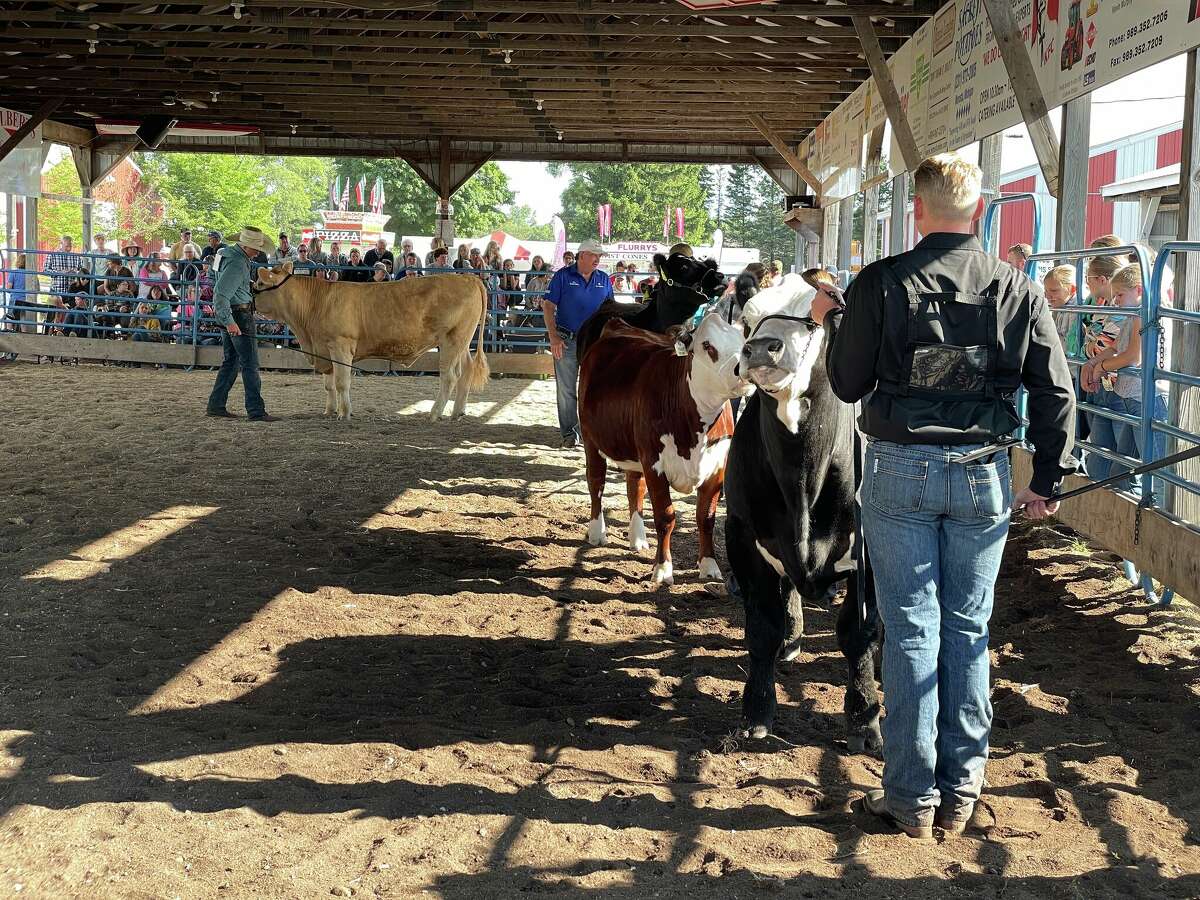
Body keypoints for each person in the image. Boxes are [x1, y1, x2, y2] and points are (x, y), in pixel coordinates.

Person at [809, 153, 1077, 840]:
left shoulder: (880, 282)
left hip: (899, 469)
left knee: (910, 629)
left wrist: (835, 324)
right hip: (984, 472)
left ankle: (910, 797)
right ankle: (961, 793)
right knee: (967, 629)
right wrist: (1048, 479)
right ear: (981, 211)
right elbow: (1055, 391)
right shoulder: (1016, 288)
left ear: (918, 211)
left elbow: (846, 384)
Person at [1080, 263, 1169, 494]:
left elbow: (1132, 356)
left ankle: (1154, 510)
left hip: (1148, 398)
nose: (1115, 300)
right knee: (1122, 471)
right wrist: (1092, 363)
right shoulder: (1135, 314)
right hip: (1134, 397)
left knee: (1157, 470)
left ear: (1139, 290)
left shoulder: (1145, 313)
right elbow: (1116, 348)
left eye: (1119, 295)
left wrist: (1101, 366)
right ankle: (1138, 509)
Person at [541, 238, 613, 449]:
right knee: (566, 389)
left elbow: (611, 309)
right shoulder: (562, 276)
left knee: (595, 387)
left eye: (599, 256)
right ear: (582, 255)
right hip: (567, 339)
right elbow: (548, 306)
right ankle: (570, 433)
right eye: (594, 255)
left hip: (596, 342)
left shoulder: (604, 279)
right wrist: (553, 336)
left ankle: (591, 431)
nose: (597, 259)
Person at [205, 226, 277, 422]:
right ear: (245, 246)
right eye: (256, 248)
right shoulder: (237, 263)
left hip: (229, 313)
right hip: (238, 315)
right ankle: (256, 410)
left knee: (231, 362)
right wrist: (230, 322)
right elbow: (221, 294)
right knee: (250, 363)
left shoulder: (223, 253)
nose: (258, 252)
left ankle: (216, 405)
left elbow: (214, 279)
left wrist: (243, 286)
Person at [1042, 265, 1081, 358]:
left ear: (1072, 289)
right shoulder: (1061, 305)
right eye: (1046, 291)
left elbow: (1073, 346)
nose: (1047, 296)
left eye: (1054, 291)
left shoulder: (1077, 310)